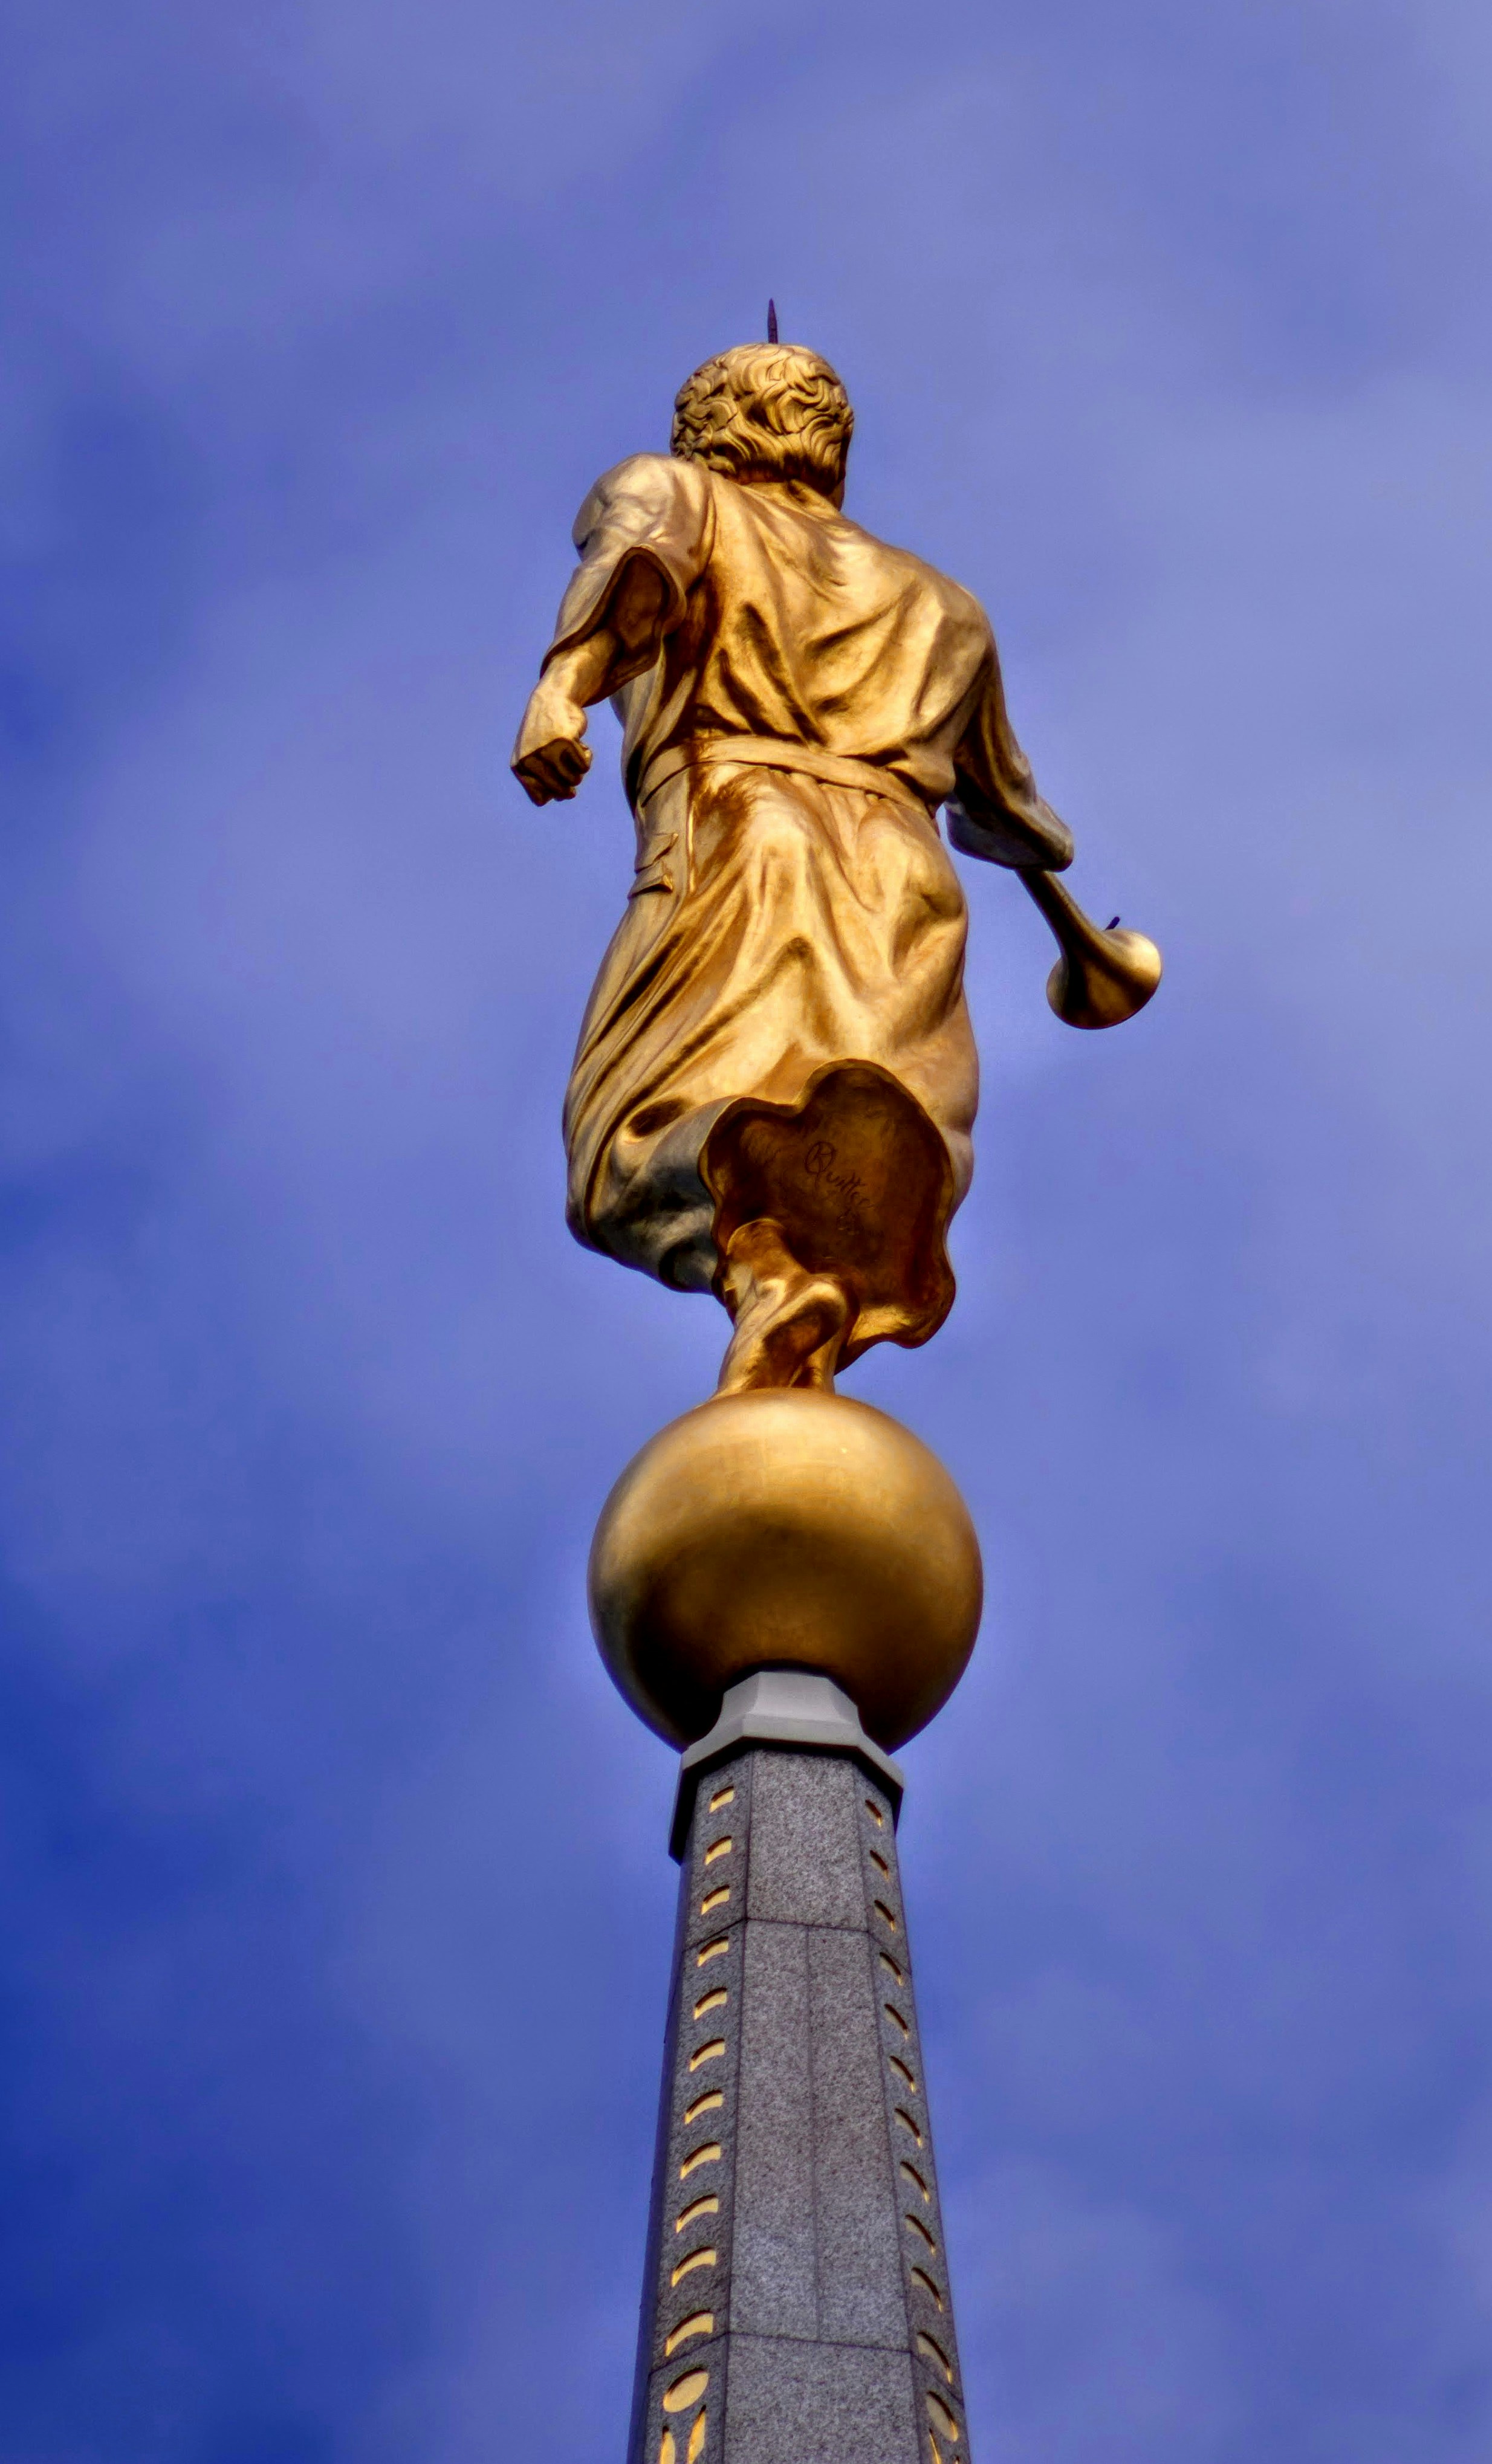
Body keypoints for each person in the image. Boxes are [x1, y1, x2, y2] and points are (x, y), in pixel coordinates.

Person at [513, 341, 1073, 1393]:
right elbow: (1013, 816)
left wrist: (562, 684)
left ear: (706, 431)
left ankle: (767, 1236)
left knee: (616, 1161)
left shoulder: (678, 492)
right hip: (908, 878)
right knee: (885, 1102)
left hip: (743, 830)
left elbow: (638, 570)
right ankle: (819, 1256)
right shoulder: (943, 604)